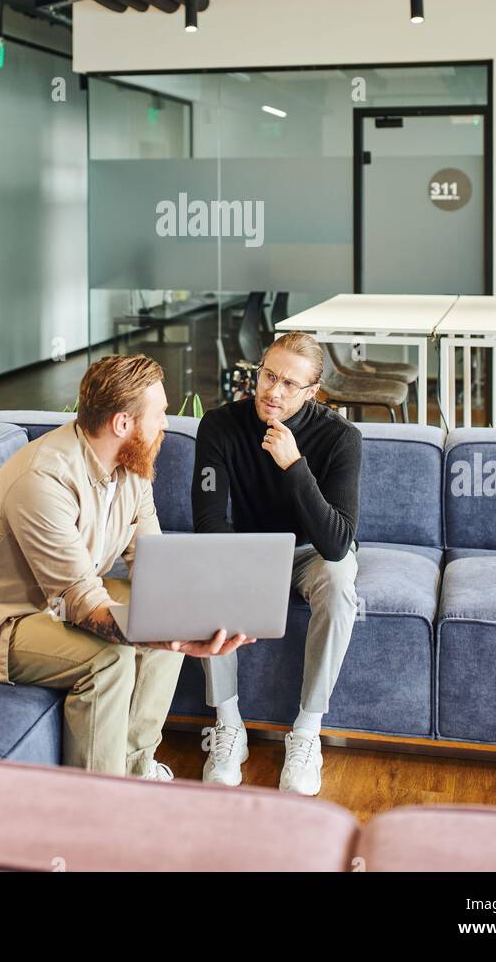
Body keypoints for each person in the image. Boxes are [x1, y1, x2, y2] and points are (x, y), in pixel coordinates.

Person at [0, 353, 251, 779]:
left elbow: (155, 566)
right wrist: (167, 634)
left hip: (56, 600)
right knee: (109, 657)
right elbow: (82, 604)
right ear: (123, 424)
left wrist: (196, 618)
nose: (166, 424)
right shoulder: (44, 478)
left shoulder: (133, 468)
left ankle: (134, 767)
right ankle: (98, 798)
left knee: (168, 610)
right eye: (160, 413)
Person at [192, 331, 362, 795]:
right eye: (269, 375)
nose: (273, 391)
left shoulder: (341, 437)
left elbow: (336, 541)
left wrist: (294, 466)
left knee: (340, 576)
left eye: (290, 384)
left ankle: (306, 732)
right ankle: (228, 727)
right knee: (209, 565)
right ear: (259, 369)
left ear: (312, 393)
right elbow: (208, 521)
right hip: (245, 551)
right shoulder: (219, 426)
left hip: (311, 554)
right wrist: (246, 567)